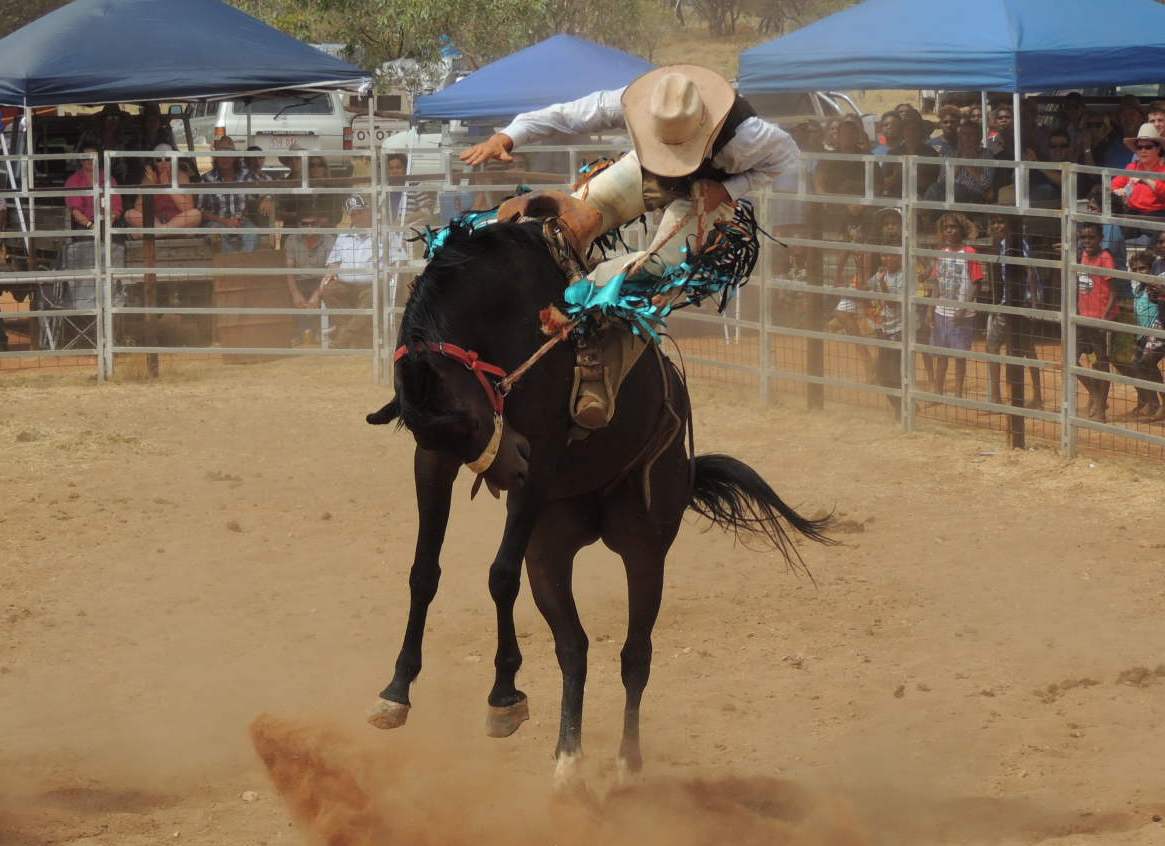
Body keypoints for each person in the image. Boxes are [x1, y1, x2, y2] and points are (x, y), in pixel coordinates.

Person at [459, 64, 799, 428]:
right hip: (648, 168)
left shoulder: (748, 138)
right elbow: (570, 114)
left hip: (709, 190)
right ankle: (477, 275)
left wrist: (729, 190)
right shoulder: (642, 104)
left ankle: (594, 360)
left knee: (655, 272)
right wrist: (509, 136)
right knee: (569, 221)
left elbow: (787, 157)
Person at [984, 213, 1044, 409]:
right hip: (1010, 302)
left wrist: (1034, 304)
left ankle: (1029, 397)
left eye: (1000, 221)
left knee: (1009, 347)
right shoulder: (1003, 245)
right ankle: (1031, 396)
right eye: (994, 222)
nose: (996, 226)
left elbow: (1030, 272)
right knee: (1020, 348)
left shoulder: (1016, 244)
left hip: (1020, 303)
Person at [927, 213, 983, 398]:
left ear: (962, 230)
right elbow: (936, 283)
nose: (949, 231)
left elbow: (976, 283)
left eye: (953, 227)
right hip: (941, 311)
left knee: (959, 356)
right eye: (946, 228)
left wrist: (964, 307)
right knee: (941, 355)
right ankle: (938, 391)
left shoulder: (969, 253)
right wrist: (930, 308)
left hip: (963, 314)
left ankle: (958, 393)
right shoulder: (941, 254)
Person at [320, 194, 381, 348]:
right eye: (353, 214)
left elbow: (396, 262)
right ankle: (359, 334)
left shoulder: (382, 234)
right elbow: (333, 262)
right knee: (327, 290)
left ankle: (344, 338)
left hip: (371, 284)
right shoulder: (343, 236)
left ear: (368, 212)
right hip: (345, 283)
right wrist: (329, 275)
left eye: (360, 212)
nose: (357, 216)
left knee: (372, 295)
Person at [1075, 222, 1117, 421]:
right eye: (1083, 238)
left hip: (1099, 319)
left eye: (1091, 238)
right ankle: (1095, 393)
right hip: (1083, 318)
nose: (1086, 241)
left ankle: (1100, 407)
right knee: (1076, 358)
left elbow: (1113, 291)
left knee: (1100, 362)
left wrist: (1104, 317)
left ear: (1100, 238)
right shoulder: (1083, 256)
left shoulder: (1104, 257)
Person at [1117, 249, 1165, 421]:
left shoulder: (1153, 290)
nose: (1139, 273)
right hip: (1141, 334)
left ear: (1152, 270)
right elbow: (1138, 308)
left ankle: (1158, 404)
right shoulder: (1138, 289)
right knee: (1138, 365)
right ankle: (1149, 403)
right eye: (1135, 269)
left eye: (1143, 268)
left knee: (1146, 363)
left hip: (1152, 332)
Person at [284, 204, 336, 343]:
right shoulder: (291, 240)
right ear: (298, 225)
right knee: (284, 293)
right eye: (305, 223)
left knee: (331, 290)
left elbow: (331, 271)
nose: (309, 226)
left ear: (319, 223)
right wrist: (295, 293)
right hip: (300, 281)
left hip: (322, 280)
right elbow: (289, 270)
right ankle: (298, 333)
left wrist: (317, 293)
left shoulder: (329, 240)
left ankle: (321, 332)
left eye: (313, 223)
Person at [122, 143, 202, 234]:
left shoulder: (181, 176)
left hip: (177, 222)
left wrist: (168, 187)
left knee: (195, 214)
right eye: (159, 160)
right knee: (129, 214)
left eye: (168, 159)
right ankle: (163, 232)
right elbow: (139, 209)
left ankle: (159, 233)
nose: (164, 163)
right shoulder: (149, 178)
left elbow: (187, 207)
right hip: (155, 222)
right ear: (154, 163)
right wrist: (155, 187)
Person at [199, 136, 252, 252]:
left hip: (242, 222)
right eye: (221, 154)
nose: (225, 158)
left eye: (228, 153)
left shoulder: (246, 175)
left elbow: (265, 186)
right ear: (216, 157)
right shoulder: (207, 179)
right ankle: (229, 267)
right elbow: (201, 211)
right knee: (216, 236)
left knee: (252, 235)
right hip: (216, 222)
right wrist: (225, 221)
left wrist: (268, 197)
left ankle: (247, 265)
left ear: (234, 157)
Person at [1111, 124, 1165, 226]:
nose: (1143, 150)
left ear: (1158, 149)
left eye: (1148, 147)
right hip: (1131, 213)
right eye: (1140, 147)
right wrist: (1118, 192)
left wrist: (1145, 180)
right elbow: (1112, 185)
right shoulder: (1132, 167)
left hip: (1157, 216)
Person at [65, 144, 123, 233]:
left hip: (110, 222)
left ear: (99, 159)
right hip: (85, 225)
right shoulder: (73, 180)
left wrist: (108, 223)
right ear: (81, 160)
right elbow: (75, 210)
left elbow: (116, 205)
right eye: (86, 158)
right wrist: (91, 226)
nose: (90, 161)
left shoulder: (108, 177)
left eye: (93, 157)